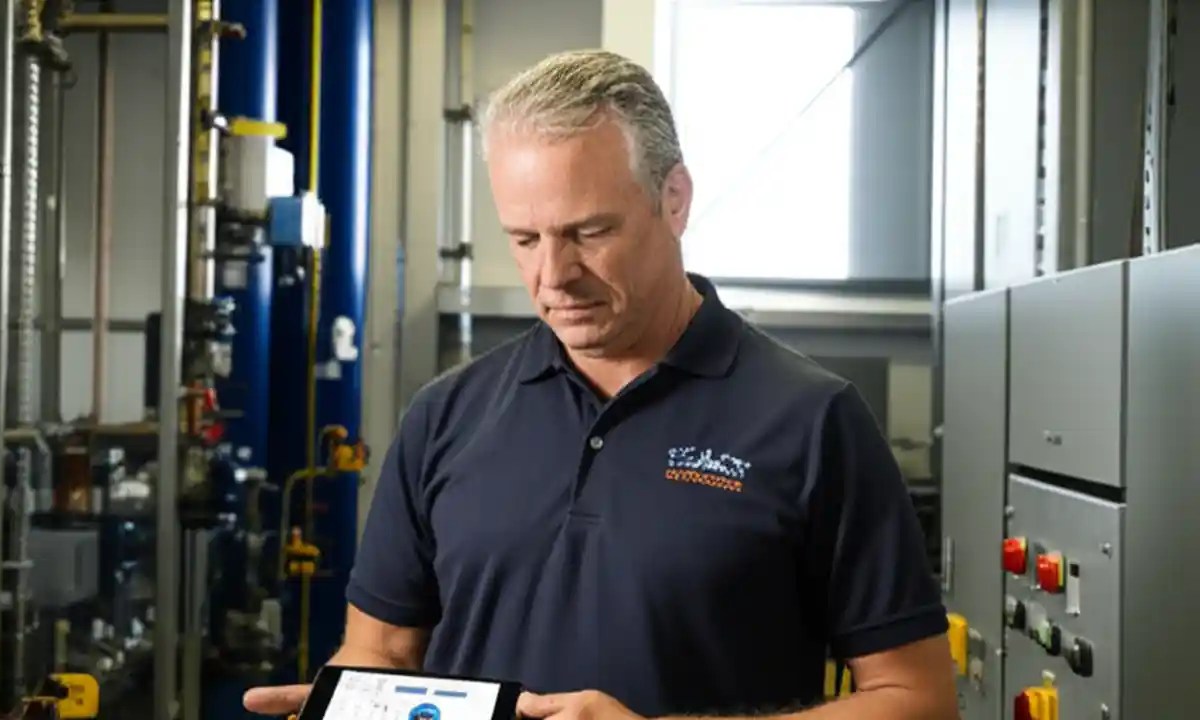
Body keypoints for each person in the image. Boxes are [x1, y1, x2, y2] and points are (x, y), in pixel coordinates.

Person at [245, 49, 957, 720]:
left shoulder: (811, 420)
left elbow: (916, 700)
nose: (553, 277)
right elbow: (382, 651)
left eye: (588, 233)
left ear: (673, 199)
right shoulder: (446, 416)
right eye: (524, 239)